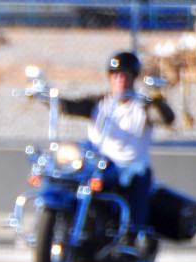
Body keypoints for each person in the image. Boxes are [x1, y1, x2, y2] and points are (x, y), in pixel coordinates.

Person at [53, 51, 174, 239]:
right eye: (115, 75)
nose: (120, 80)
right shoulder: (100, 103)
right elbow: (68, 107)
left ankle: (133, 234)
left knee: (140, 177)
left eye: (125, 75)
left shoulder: (142, 105)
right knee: (64, 173)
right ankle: (59, 221)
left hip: (130, 165)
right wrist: (47, 97)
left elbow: (166, 119)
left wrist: (157, 102)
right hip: (100, 163)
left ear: (133, 78)